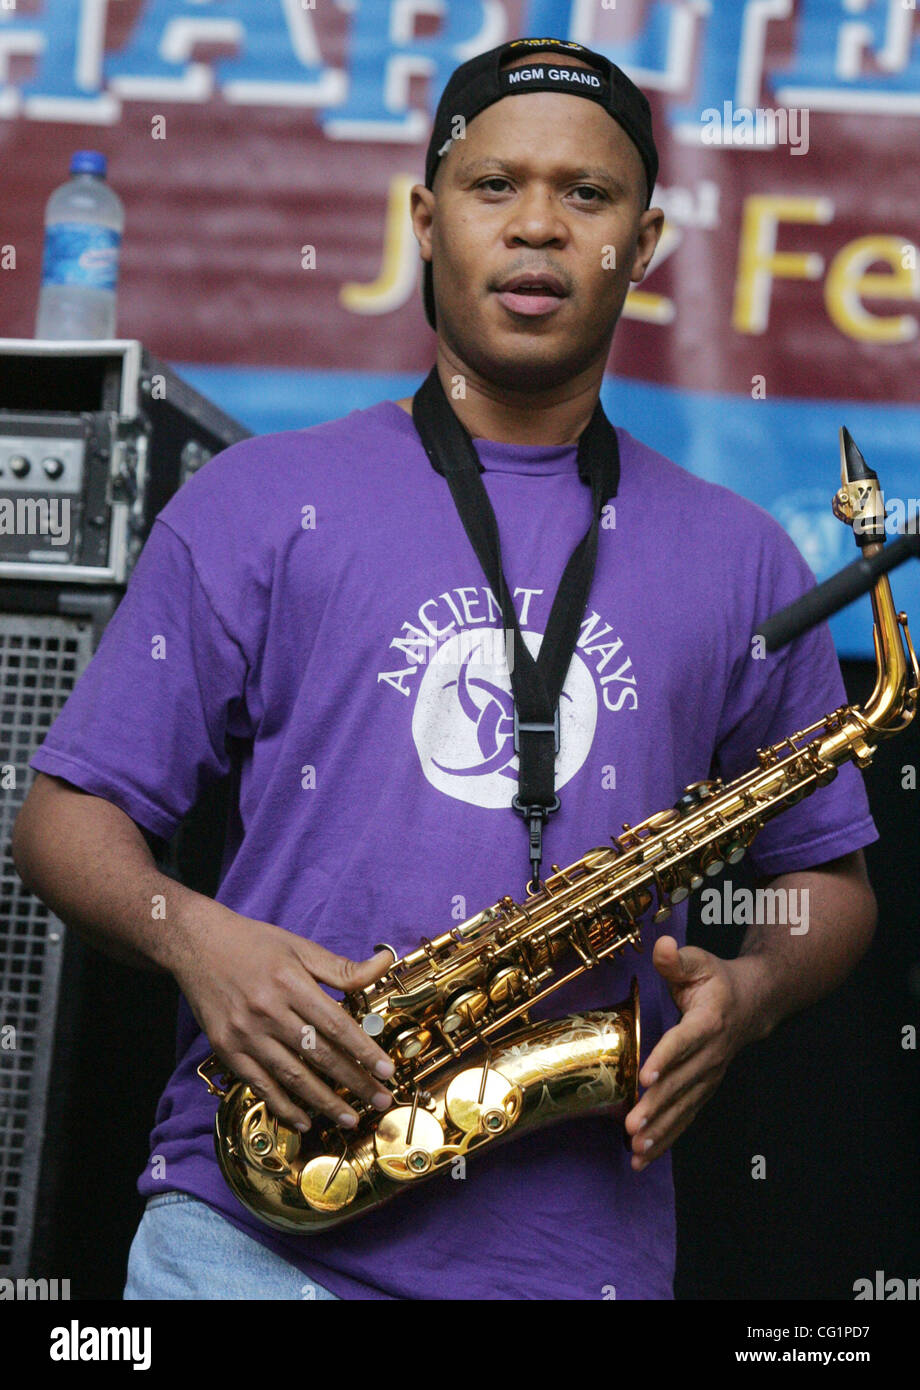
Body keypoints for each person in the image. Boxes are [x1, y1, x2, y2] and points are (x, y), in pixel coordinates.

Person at [12, 37, 878, 1302]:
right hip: (241, 1241)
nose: (535, 226)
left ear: (643, 243)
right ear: (424, 218)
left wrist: (748, 990)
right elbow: (58, 818)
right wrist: (199, 939)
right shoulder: (257, 501)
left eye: (585, 196)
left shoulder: (744, 559)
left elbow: (829, 887)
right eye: (491, 187)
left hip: (577, 1265)